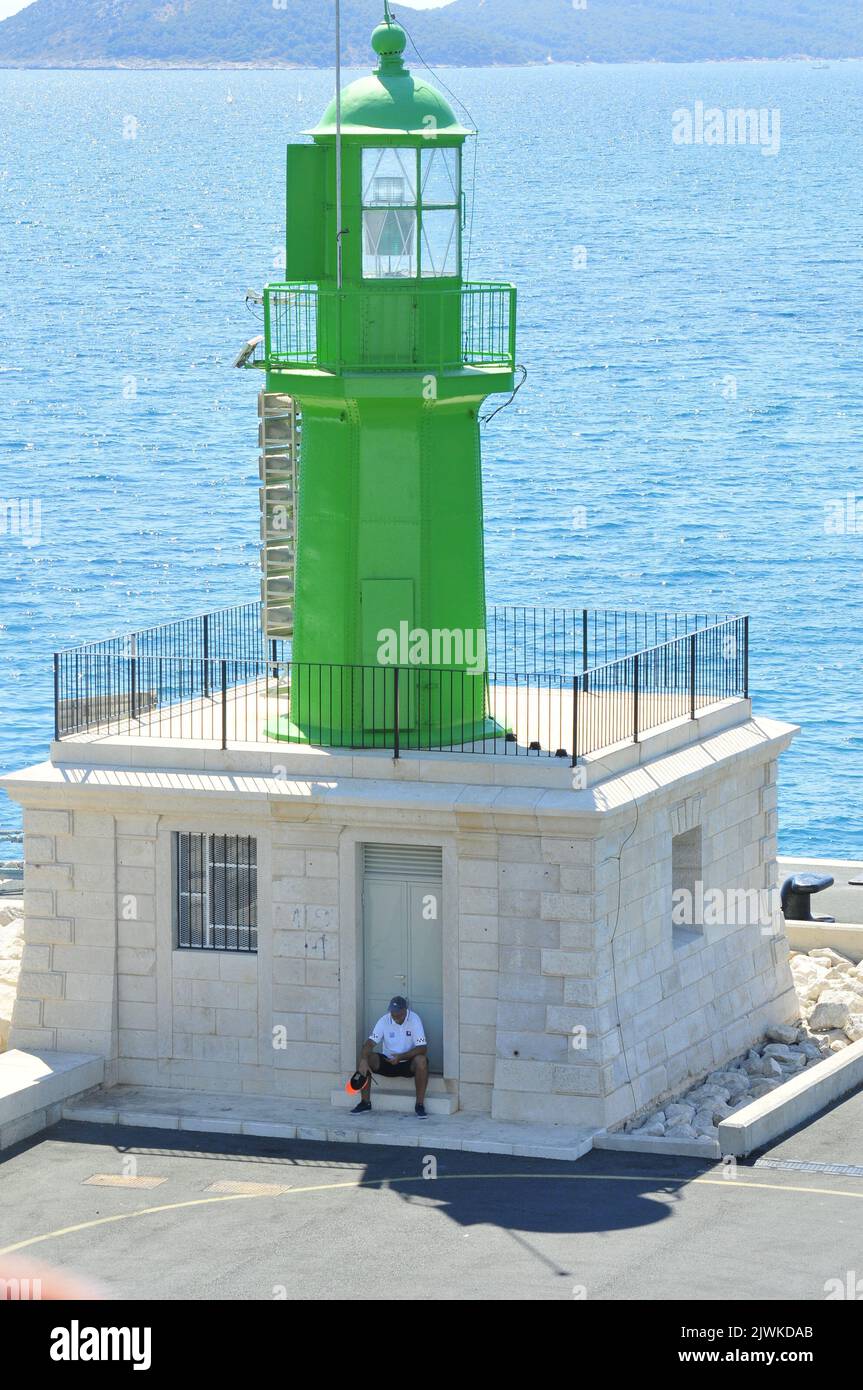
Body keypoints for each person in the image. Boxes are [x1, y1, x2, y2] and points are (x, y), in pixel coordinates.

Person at [352, 995, 429, 1117]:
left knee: (422, 1060)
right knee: (367, 1057)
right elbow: (370, 1042)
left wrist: (401, 1057)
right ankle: (365, 1102)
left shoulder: (414, 1019)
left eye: (398, 1014)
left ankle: (419, 1105)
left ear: (405, 1010)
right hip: (388, 1062)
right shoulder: (384, 1020)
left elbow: (422, 1048)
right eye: (393, 1014)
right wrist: (363, 1059)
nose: (395, 1017)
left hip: (407, 1063)